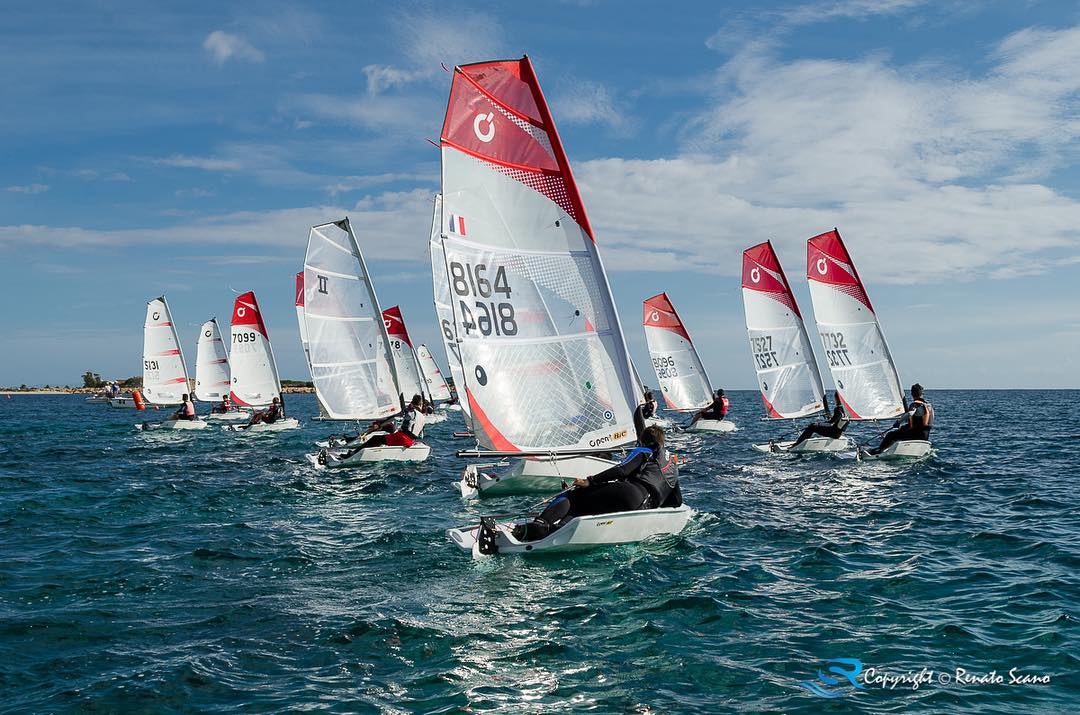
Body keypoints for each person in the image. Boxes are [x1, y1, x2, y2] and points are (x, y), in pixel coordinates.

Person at [507, 425, 680, 544]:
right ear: (662, 442)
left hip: (632, 493)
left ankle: (539, 525)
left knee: (574, 495)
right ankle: (558, 529)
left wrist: (589, 481)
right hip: (643, 507)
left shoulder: (644, 451)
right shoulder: (671, 464)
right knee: (585, 507)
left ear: (643, 441)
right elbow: (676, 501)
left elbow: (622, 470)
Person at [867, 384, 934, 455]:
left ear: (912, 393)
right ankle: (888, 448)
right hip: (925, 436)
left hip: (915, 435)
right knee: (901, 430)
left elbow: (910, 413)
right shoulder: (929, 406)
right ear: (922, 393)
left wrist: (898, 422)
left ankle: (879, 451)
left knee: (891, 435)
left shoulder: (914, 405)